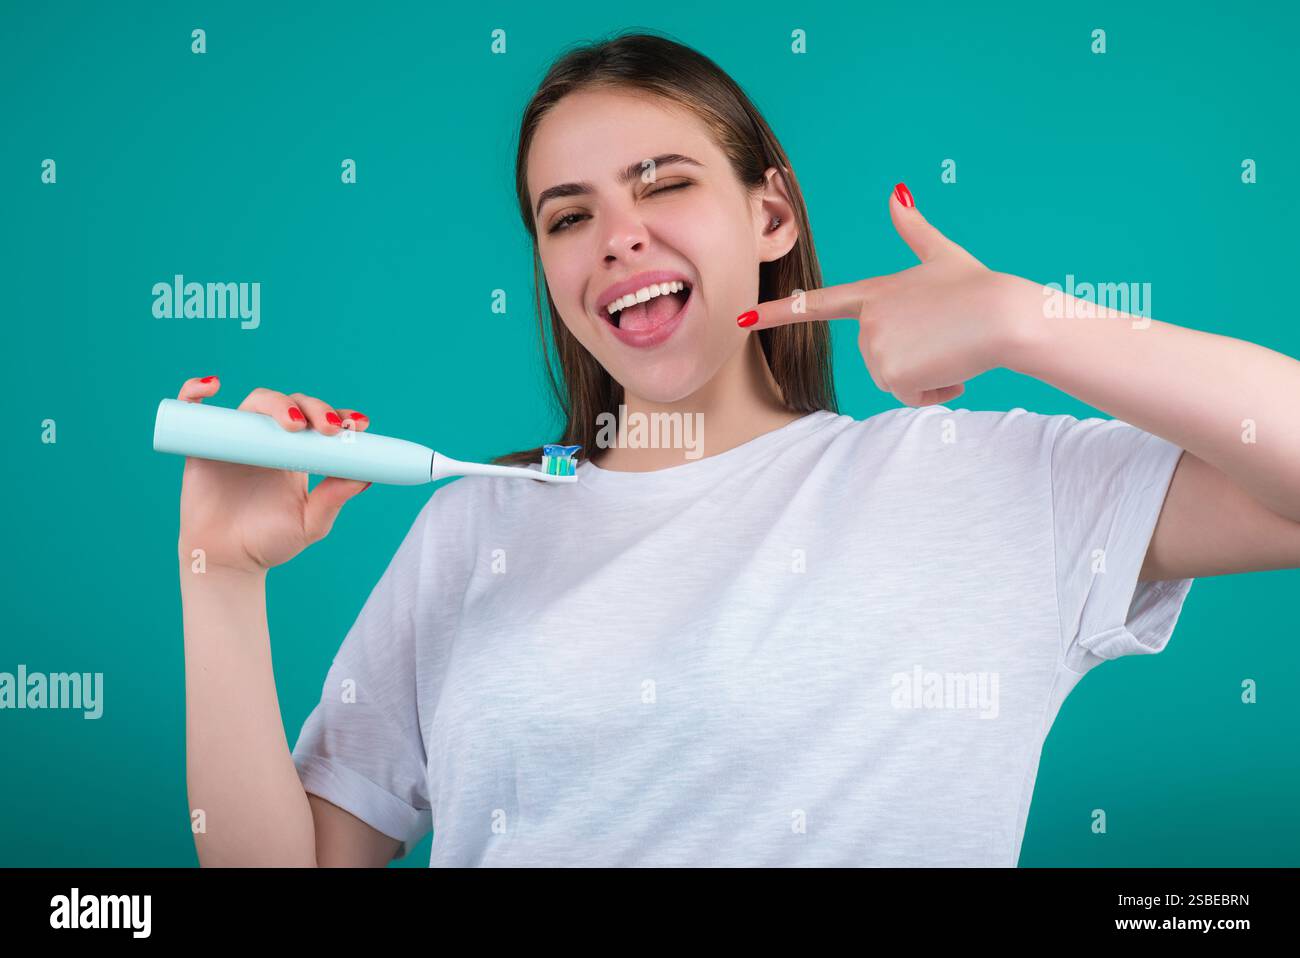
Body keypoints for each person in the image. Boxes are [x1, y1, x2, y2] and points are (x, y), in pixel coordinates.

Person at [176, 32, 1300, 867]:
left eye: (662, 185)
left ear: (771, 217)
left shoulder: (977, 480)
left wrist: (1021, 319)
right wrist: (219, 577)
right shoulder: (477, 524)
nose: (618, 236)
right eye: (567, 216)